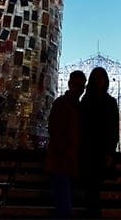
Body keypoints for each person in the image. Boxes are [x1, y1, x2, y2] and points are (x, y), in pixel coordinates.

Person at [79, 66, 119, 218]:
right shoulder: (86, 100)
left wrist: (110, 152)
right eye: (96, 78)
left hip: (101, 150)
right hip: (88, 150)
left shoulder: (109, 102)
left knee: (95, 187)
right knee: (92, 188)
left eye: (101, 77)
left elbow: (114, 129)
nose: (98, 81)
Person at [46, 69, 86, 219]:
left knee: (64, 200)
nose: (79, 89)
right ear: (70, 84)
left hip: (69, 160)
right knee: (64, 204)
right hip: (61, 159)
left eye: (81, 86)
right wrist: (65, 150)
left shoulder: (76, 106)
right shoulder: (62, 104)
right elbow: (55, 130)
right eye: (77, 85)